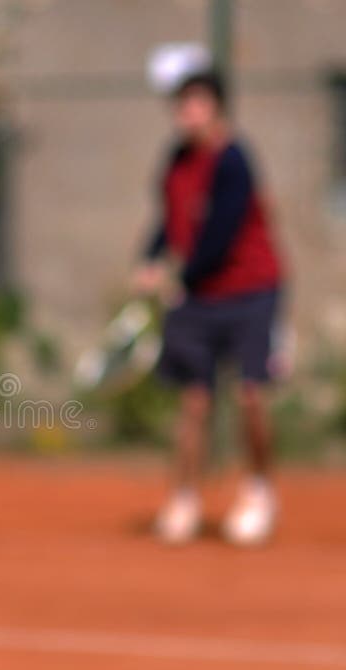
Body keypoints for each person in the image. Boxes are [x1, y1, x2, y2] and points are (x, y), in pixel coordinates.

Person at [134, 69, 285, 546]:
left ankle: (259, 491)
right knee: (194, 400)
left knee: (250, 394)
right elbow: (171, 219)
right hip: (200, 296)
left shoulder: (234, 160)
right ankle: (183, 498)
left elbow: (220, 232)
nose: (186, 114)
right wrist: (152, 258)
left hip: (251, 290)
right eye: (181, 105)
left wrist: (180, 275)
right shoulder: (176, 159)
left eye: (196, 104)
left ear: (216, 107)